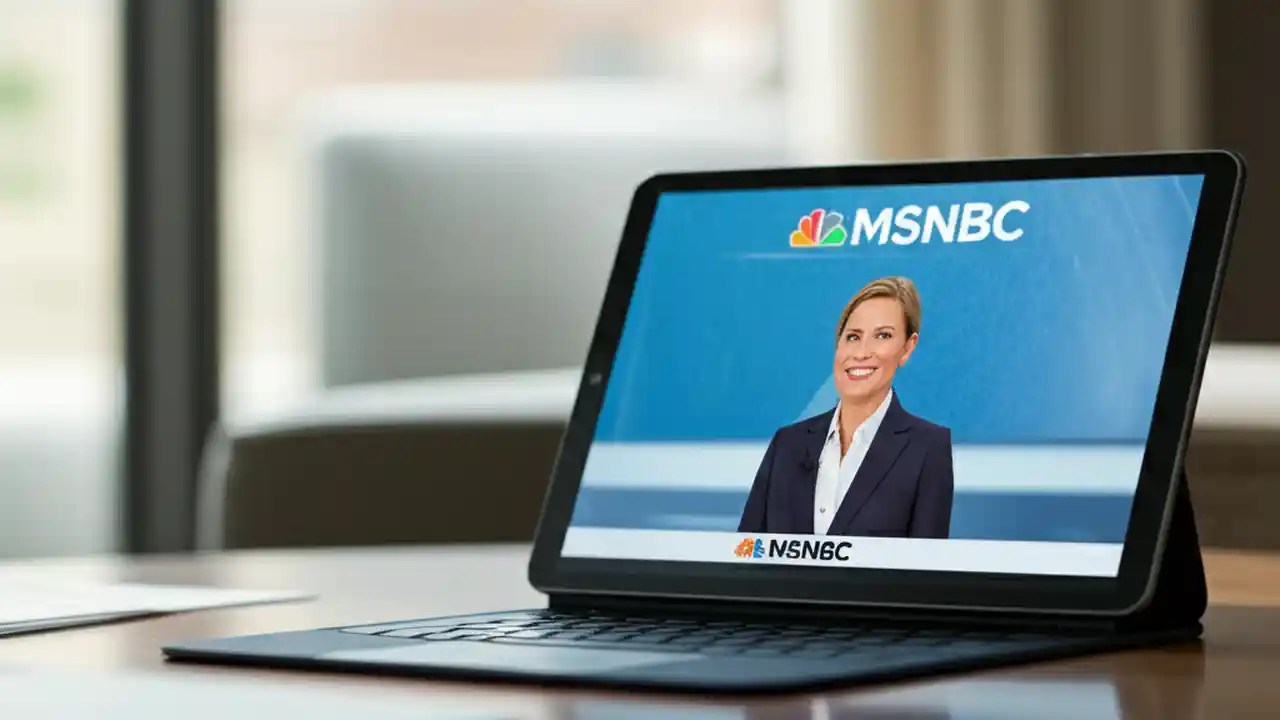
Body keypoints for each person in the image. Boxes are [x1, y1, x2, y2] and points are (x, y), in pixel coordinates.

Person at [738, 276, 954, 538]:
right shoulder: (787, 443)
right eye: (853, 337)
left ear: (908, 347)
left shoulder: (928, 447)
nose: (861, 352)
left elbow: (925, 571)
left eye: (882, 336)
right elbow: (747, 554)